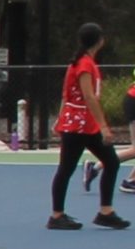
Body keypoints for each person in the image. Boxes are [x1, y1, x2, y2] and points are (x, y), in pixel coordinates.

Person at [50, 24, 125, 230]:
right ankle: (56, 215)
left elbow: (67, 94)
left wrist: (61, 116)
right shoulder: (84, 64)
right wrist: (104, 126)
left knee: (111, 162)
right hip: (78, 125)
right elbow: (88, 96)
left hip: (85, 124)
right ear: (100, 40)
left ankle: (106, 211)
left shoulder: (84, 62)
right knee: (66, 169)